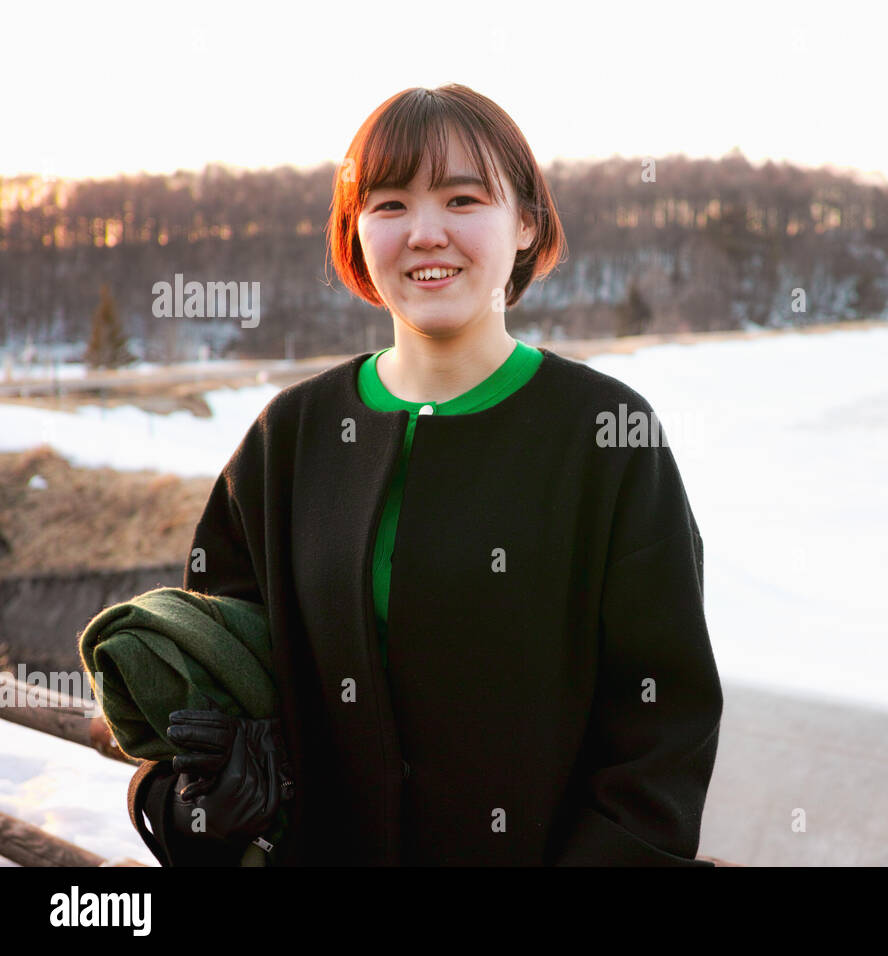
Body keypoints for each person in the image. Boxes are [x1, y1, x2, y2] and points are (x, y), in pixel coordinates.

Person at [141, 84, 724, 866]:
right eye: (388, 205)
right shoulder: (288, 438)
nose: (425, 233)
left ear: (525, 223)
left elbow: (663, 732)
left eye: (462, 198)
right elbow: (201, 695)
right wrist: (198, 809)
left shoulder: (606, 436)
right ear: (356, 234)